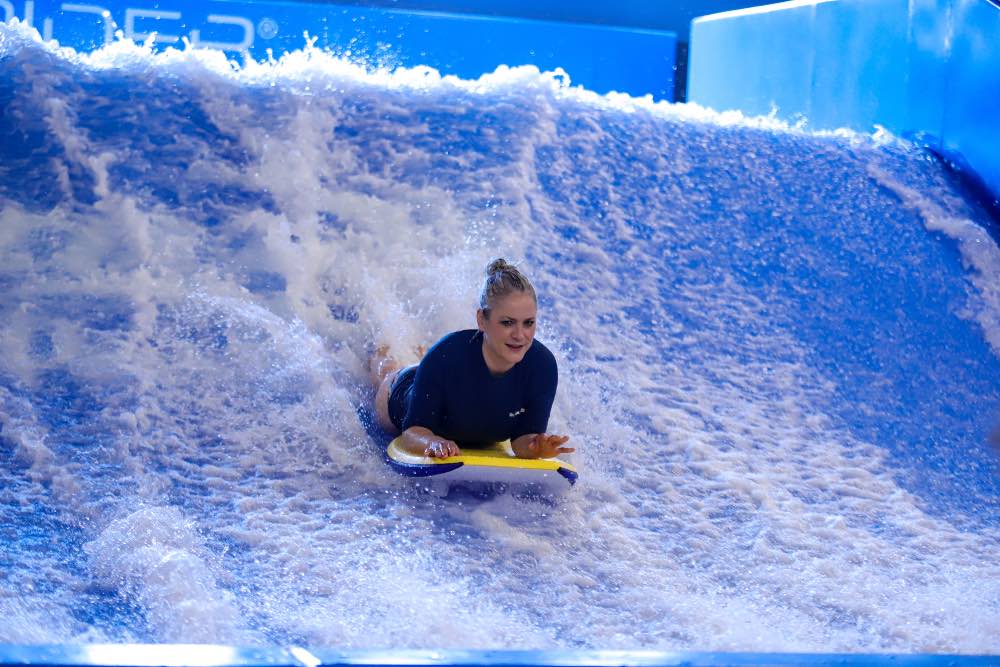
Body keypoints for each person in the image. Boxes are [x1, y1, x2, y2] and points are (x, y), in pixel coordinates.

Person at [370, 259, 573, 460]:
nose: (520, 335)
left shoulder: (542, 367)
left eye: (528, 323)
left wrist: (536, 447)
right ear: (481, 320)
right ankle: (382, 350)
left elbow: (521, 441)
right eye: (507, 322)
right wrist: (432, 442)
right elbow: (411, 433)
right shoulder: (445, 356)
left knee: (432, 366)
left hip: (443, 378)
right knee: (388, 370)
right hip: (402, 393)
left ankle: (419, 354)